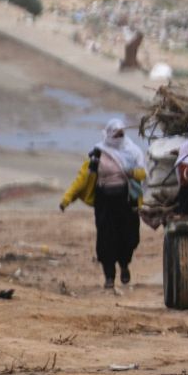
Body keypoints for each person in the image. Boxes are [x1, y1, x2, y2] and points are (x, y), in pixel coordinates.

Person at [60, 117, 147, 291]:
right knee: (106, 240)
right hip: (105, 203)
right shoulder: (98, 153)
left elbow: (143, 173)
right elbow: (82, 179)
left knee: (129, 238)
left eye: (121, 134)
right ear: (108, 135)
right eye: (116, 134)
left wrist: (132, 173)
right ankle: (109, 276)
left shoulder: (133, 152)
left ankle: (124, 265)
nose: (119, 137)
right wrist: (67, 199)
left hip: (127, 201)